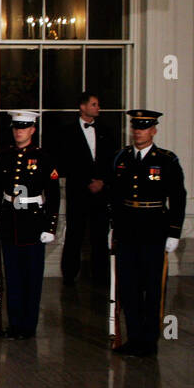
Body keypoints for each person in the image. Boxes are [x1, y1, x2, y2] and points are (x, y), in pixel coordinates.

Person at [108, 110, 186, 357]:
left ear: (153, 130)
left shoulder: (166, 160)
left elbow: (178, 197)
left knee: (152, 287)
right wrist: (113, 227)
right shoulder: (121, 157)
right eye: (135, 127)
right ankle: (134, 338)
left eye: (143, 127)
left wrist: (174, 231)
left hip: (154, 230)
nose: (138, 131)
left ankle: (149, 341)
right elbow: (114, 196)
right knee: (129, 288)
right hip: (127, 230)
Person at [0, 111, 60, 338]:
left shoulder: (43, 157)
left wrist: (50, 226)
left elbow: (54, 195)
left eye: (24, 127)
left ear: (32, 130)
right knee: (13, 276)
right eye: (16, 127)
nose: (19, 131)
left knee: (32, 276)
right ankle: (15, 323)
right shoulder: (3, 156)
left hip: (33, 221)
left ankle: (28, 326)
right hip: (9, 220)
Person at [55, 91, 115, 286]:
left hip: (101, 192)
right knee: (75, 233)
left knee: (100, 235)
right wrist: (87, 182)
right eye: (94, 104)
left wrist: (102, 181)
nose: (98, 108)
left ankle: (100, 276)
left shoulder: (107, 131)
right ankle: (70, 274)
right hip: (78, 191)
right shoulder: (66, 132)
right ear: (83, 107)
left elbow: (111, 161)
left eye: (98, 105)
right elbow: (66, 162)